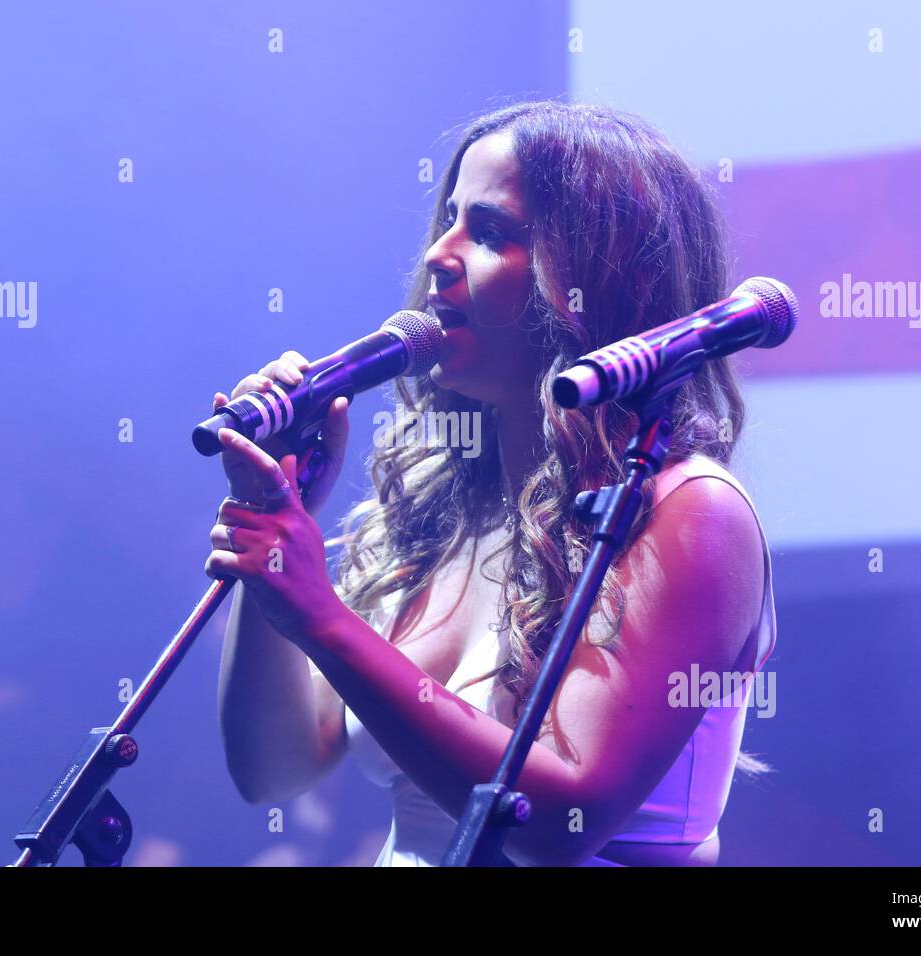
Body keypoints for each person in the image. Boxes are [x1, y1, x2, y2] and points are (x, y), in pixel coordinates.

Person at [210, 100, 777, 867]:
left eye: (491, 232)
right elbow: (273, 769)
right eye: (447, 220)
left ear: (595, 281)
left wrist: (320, 615)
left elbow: (554, 824)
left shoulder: (687, 511)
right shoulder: (449, 512)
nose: (440, 254)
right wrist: (272, 529)